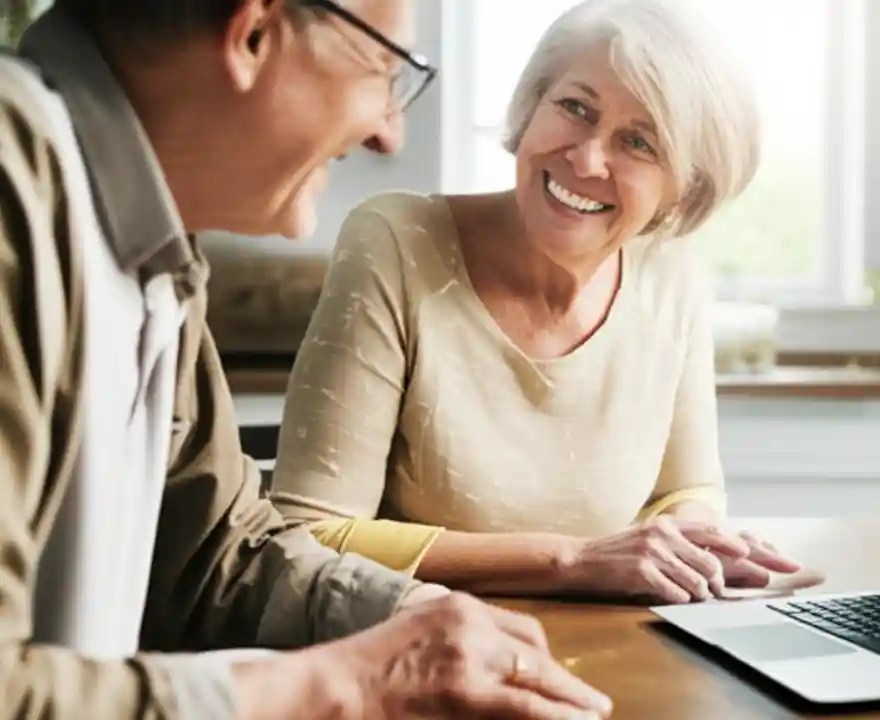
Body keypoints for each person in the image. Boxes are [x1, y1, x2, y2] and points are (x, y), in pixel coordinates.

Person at [0, 1, 610, 718]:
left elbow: (215, 557)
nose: (390, 132)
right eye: (385, 71)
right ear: (254, 34)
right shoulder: (16, 189)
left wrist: (417, 616)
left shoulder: (151, 245)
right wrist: (345, 685)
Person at [271, 0, 803, 605]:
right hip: (418, 645)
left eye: (638, 142)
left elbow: (688, 490)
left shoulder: (670, 273)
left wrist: (692, 540)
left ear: (684, 192)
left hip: (612, 645)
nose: (585, 158)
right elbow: (306, 534)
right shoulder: (397, 240)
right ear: (532, 107)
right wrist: (572, 560)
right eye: (575, 108)